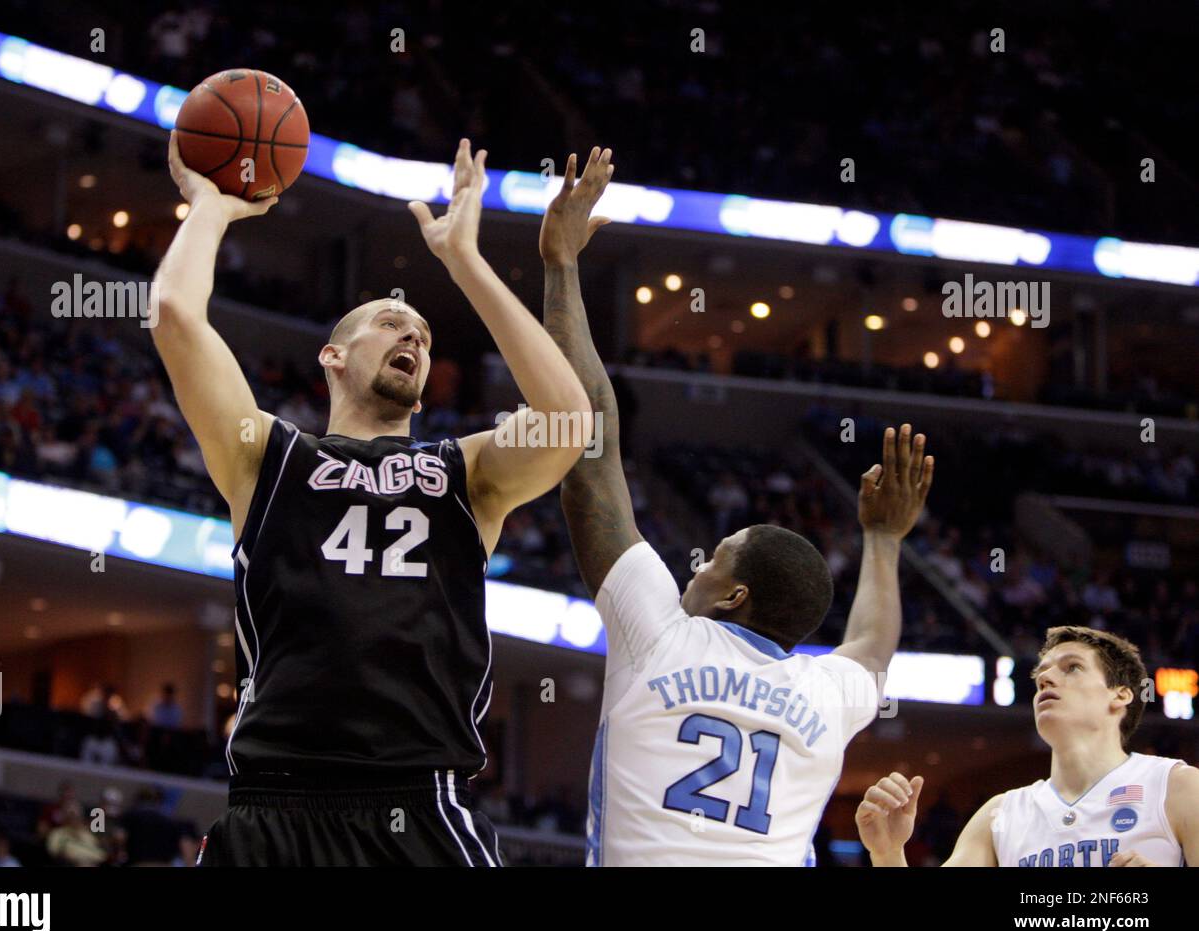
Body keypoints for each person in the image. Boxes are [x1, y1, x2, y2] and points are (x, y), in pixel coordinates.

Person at [154, 136, 592, 866]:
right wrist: (210, 206)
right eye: (391, 324)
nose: (413, 338)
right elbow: (173, 313)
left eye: (422, 335)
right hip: (274, 806)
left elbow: (571, 422)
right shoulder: (266, 454)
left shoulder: (466, 471)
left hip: (418, 802)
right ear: (332, 355)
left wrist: (465, 262)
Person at [539, 147, 933, 865]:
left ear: (734, 594)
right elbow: (872, 648)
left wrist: (562, 266)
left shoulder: (660, 634)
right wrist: (885, 540)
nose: (695, 570)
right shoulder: (822, 693)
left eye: (714, 561)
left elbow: (588, 453)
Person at [856, 626, 1199, 866]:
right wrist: (887, 854)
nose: (1046, 679)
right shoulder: (998, 815)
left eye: (1072, 668)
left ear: (1120, 693)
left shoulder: (1178, 787)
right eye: (1041, 676)